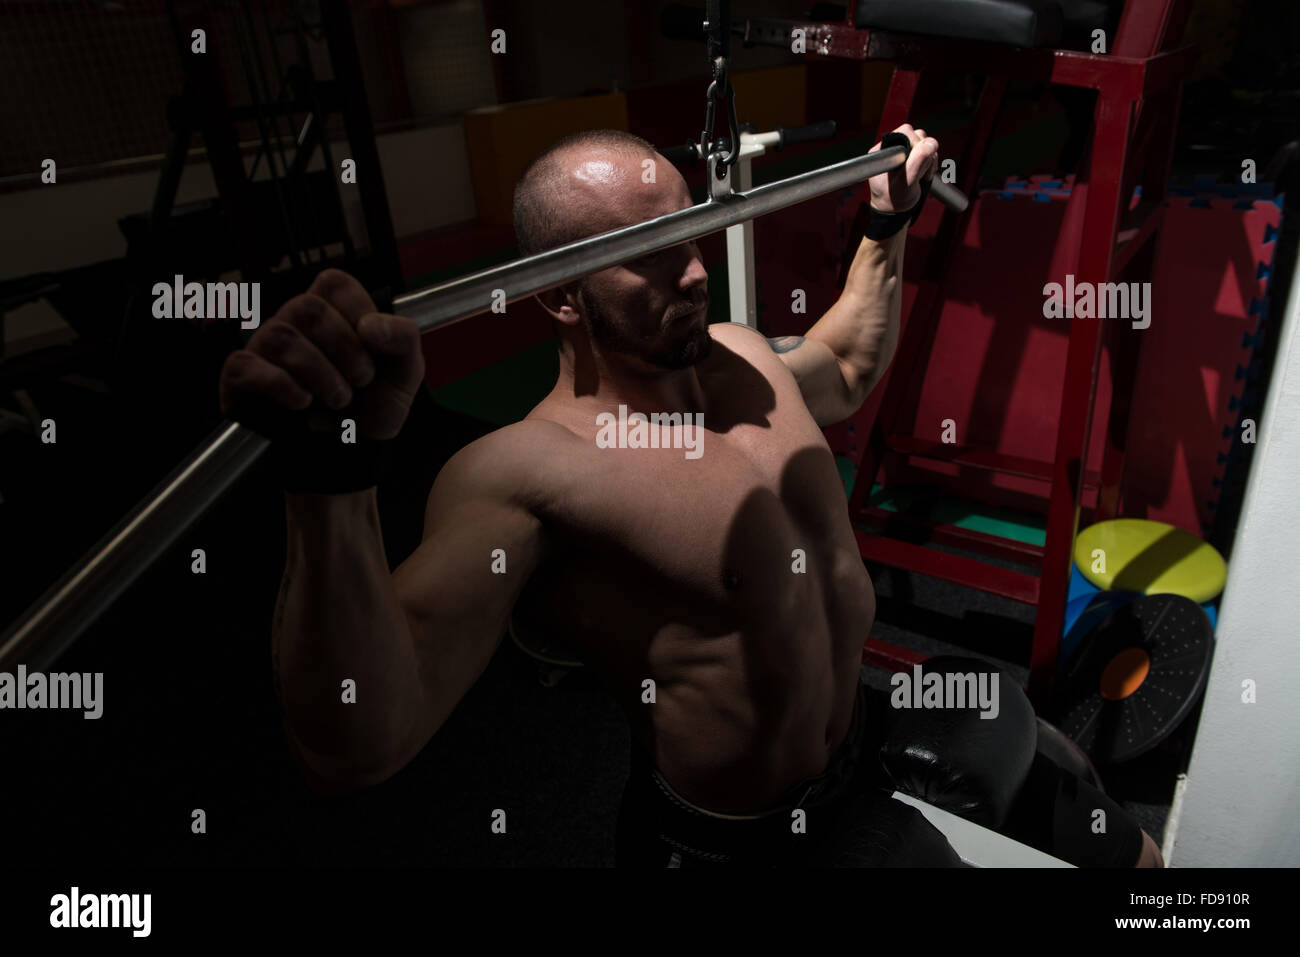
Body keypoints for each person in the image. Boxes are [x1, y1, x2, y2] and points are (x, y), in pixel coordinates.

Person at [218, 125, 1162, 867]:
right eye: (654, 253)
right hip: (741, 843)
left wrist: (887, 222)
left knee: (1123, 845)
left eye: (693, 234)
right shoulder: (524, 474)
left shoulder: (743, 356)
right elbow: (359, 739)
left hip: (861, 737)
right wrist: (330, 477)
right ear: (559, 296)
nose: (699, 269)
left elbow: (843, 361)